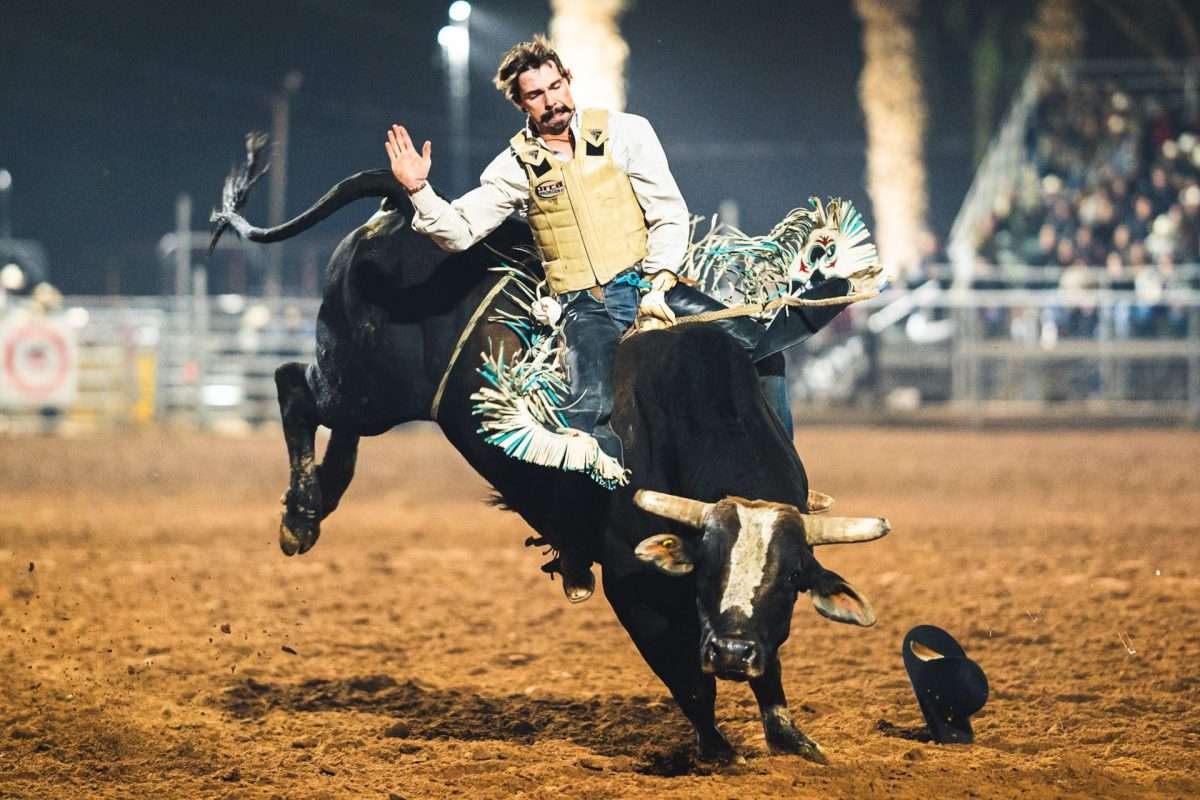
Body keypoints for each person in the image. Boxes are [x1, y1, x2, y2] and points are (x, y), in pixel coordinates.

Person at [385, 36, 849, 464]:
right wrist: (419, 190)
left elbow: (668, 211)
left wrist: (660, 281)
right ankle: (597, 512)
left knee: (762, 350)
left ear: (568, 79)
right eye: (536, 95)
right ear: (521, 103)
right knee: (591, 417)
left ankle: (782, 469)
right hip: (583, 307)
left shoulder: (626, 132)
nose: (551, 101)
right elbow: (460, 231)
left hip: (649, 286)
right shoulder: (512, 167)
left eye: (555, 86)